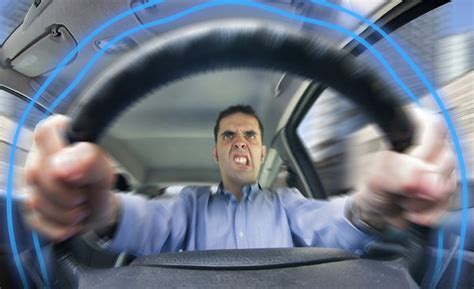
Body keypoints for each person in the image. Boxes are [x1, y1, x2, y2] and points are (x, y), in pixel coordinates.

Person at [22, 105, 456, 256]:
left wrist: (371, 206)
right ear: (217, 151)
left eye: (250, 134)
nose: (240, 142)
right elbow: (145, 220)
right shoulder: (188, 205)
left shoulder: (286, 204)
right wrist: (100, 209)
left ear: (263, 151)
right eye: (229, 135)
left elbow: (335, 221)